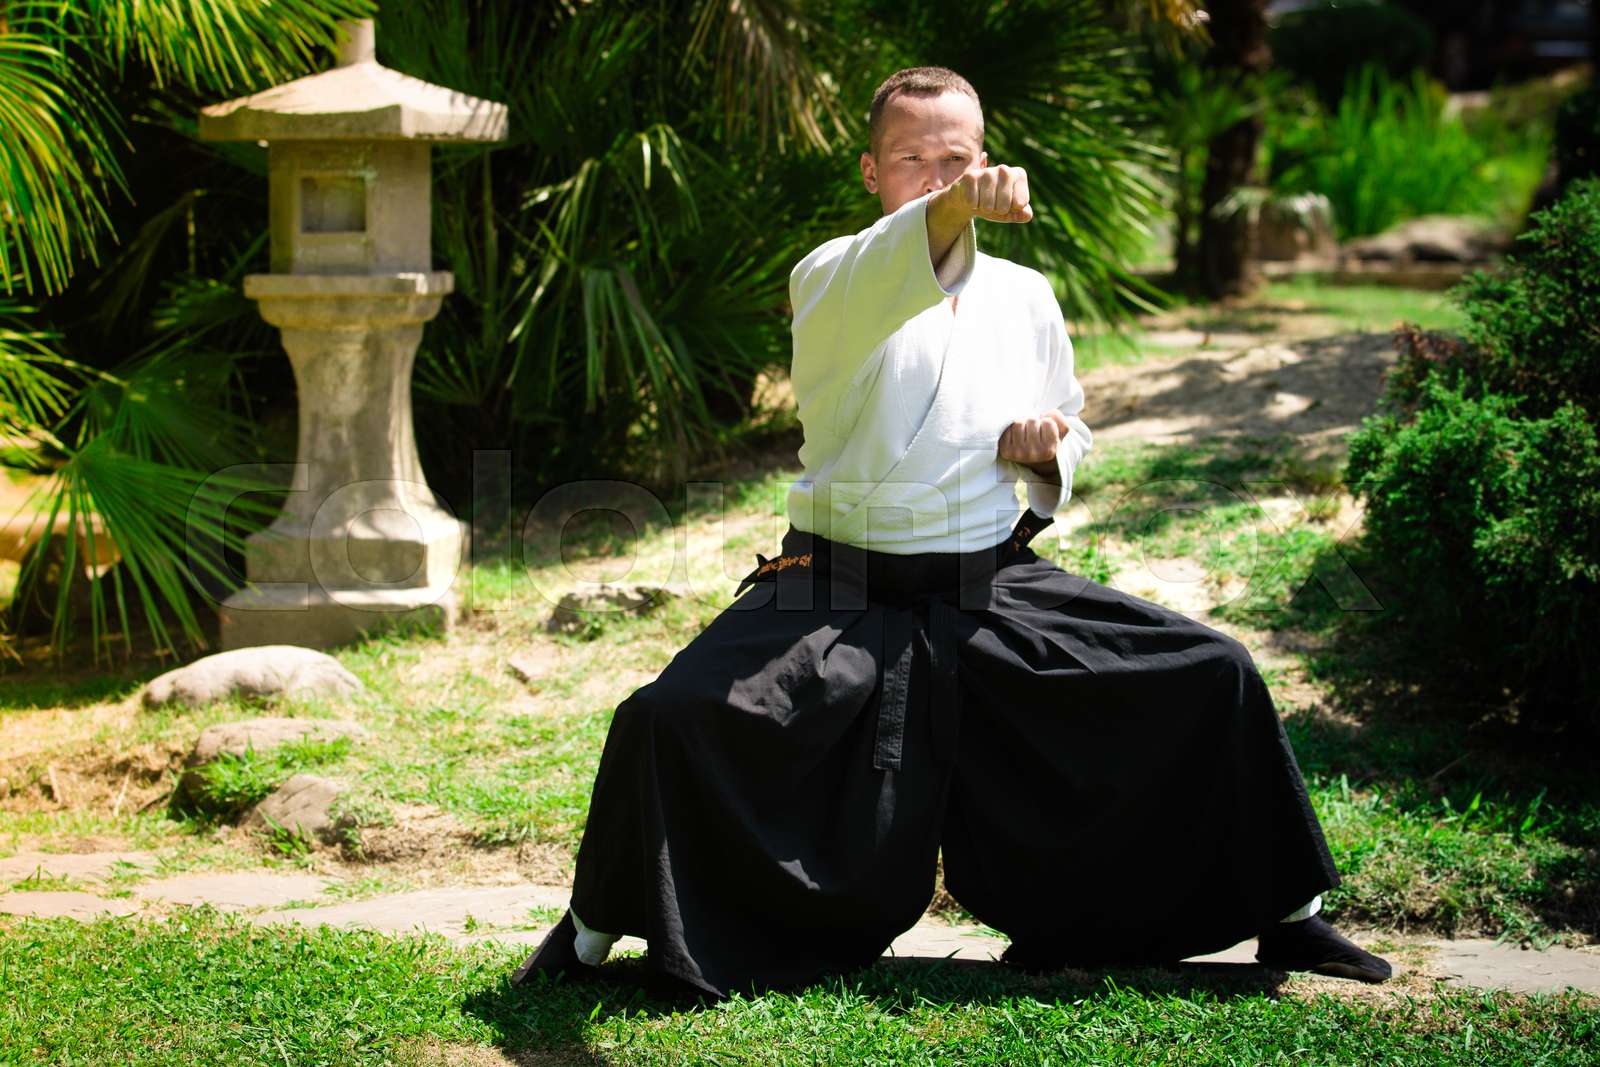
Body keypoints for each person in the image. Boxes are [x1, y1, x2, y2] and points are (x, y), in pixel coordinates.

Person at [514, 66, 1391, 998]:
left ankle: (1290, 919)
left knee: (1211, 670)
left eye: (958, 158)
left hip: (986, 577)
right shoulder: (833, 275)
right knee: (666, 714)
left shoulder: (1027, 293)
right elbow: (908, 248)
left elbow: (1071, 416)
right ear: (869, 172)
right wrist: (959, 204)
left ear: (988, 156)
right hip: (833, 581)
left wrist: (1050, 450)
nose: (937, 178)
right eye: (912, 159)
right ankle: (590, 931)